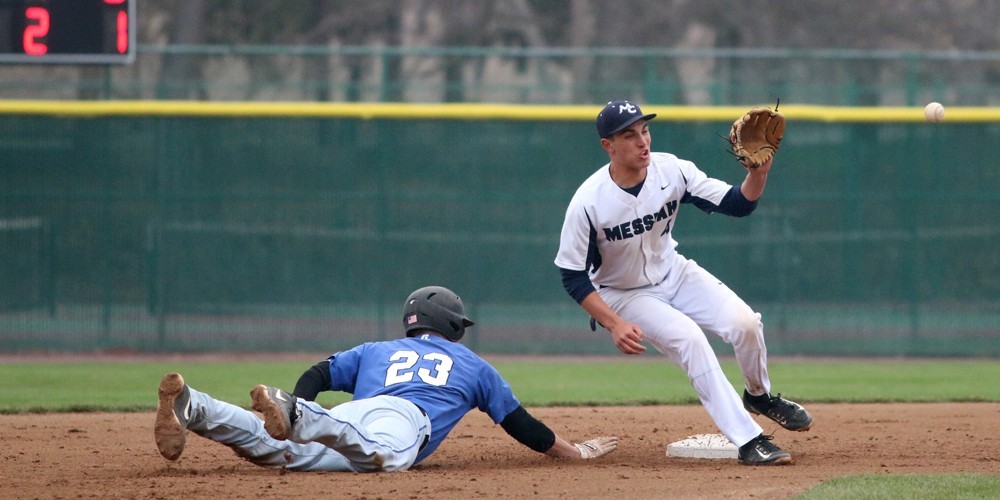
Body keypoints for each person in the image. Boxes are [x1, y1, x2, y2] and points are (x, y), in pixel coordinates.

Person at [553, 100, 812, 466]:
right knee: (690, 340)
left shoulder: (672, 170)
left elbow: (737, 204)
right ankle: (749, 439)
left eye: (644, 130)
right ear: (607, 146)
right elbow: (573, 277)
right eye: (629, 135)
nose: (643, 141)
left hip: (673, 270)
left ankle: (759, 396)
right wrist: (613, 322)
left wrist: (760, 173)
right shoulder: (588, 202)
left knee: (745, 323)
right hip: (623, 293)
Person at [154, 285, 618, 472]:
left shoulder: (376, 350)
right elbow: (522, 425)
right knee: (388, 457)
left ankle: (193, 406)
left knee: (274, 448)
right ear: (453, 325)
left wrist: (297, 401)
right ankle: (302, 417)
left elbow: (319, 371)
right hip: (401, 420)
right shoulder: (473, 365)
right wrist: (571, 451)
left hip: (351, 411)